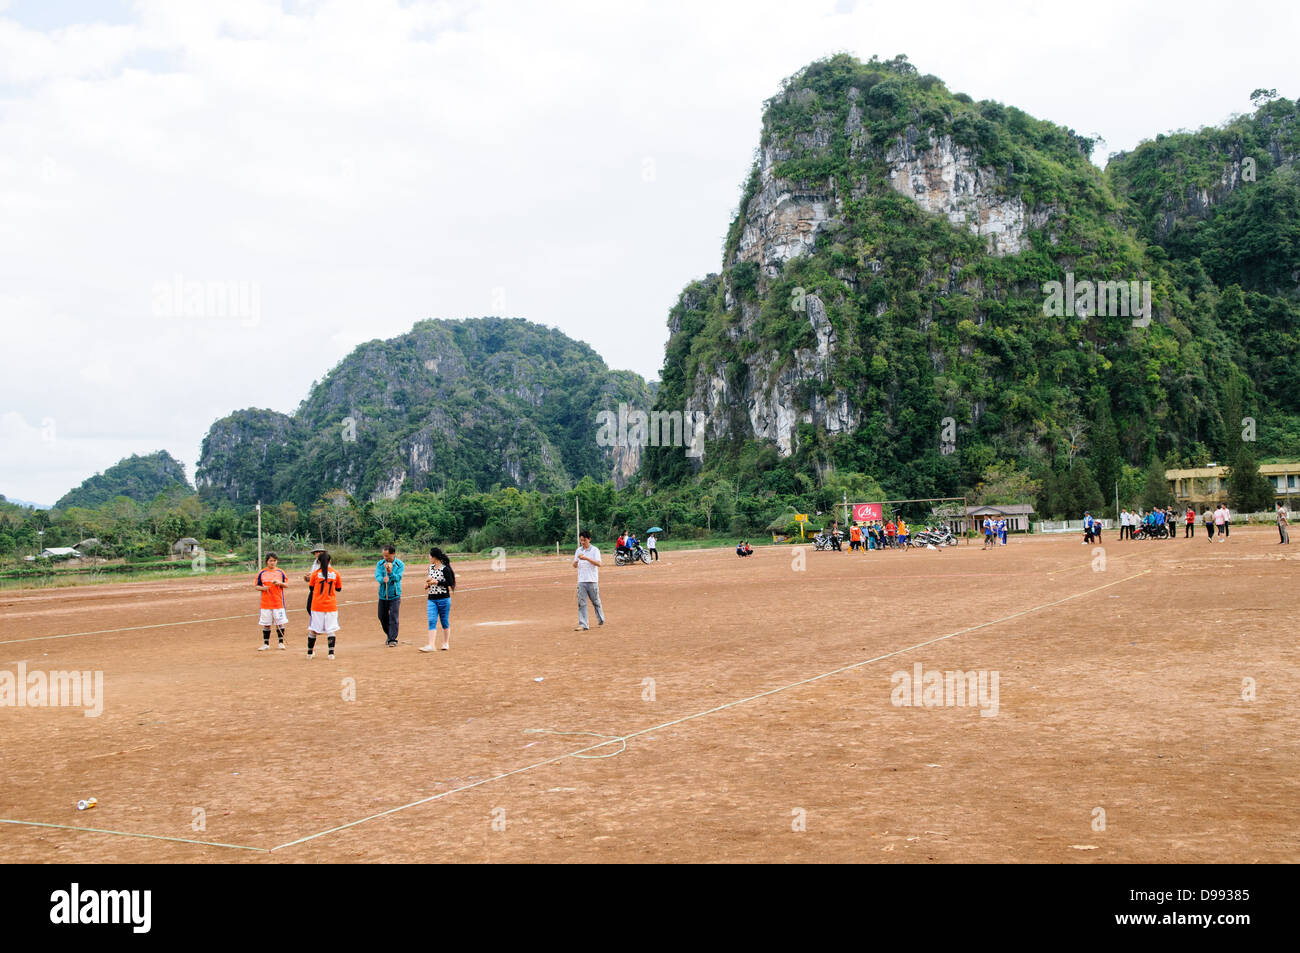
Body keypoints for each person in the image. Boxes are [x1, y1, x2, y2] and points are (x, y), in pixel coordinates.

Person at [306, 550, 342, 660]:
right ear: (330, 561)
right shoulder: (335, 573)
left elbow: (311, 588)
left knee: (314, 629)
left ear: (319, 561)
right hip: (330, 605)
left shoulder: (315, 574)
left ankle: (309, 653)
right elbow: (339, 589)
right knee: (331, 629)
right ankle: (331, 653)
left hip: (317, 605)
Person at [420, 546, 455, 651]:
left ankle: (445, 643)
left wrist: (437, 582)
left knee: (444, 621)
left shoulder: (445, 568)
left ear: (435, 557)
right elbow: (431, 579)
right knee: (431, 620)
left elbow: (450, 583)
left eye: (430, 556)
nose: (429, 557)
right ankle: (431, 645)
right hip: (431, 599)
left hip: (443, 598)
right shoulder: (431, 567)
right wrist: (428, 585)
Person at [255, 552, 288, 651]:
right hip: (266, 603)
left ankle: (281, 642)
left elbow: (286, 585)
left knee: (280, 623)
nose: (272, 563)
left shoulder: (280, 572)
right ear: (266, 562)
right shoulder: (262, 572)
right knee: (266, 623)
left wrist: (279, 583)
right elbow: (256, 586)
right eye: (270, 561)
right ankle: (266, 644)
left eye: (274, 560)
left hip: (278, 602)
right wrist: (263, 588)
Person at [573, 530, 604, 631]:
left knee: (596, 601)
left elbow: (599, 564)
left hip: (592, 580)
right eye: (581, 540)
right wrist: (576, 562)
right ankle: (583, 624)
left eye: (584, 540)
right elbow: (574, 565)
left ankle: (600, 618)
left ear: (589, 539)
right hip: (581, 580)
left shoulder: (595, 550)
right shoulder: (578, 550)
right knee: (581, 603)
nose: (582, 542)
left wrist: (586, 558)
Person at [376, 544, 404, 647]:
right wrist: (382, 579)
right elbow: (377, 575)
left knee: (393, 617)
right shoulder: (380, 564)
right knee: (382, 616)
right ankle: (389, 634)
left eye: (387, 556)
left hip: (394, 595)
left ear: (393, 554)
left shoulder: (400, 564)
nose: (385, 558)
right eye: (384, 556)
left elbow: (398, 578)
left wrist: (390, 573)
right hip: (383, 595)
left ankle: (393, 639)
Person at [303, 546, 324, 624]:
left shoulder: (326, 563)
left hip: (321, 590)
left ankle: (319, 624)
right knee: (309, 607)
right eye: (316, 552)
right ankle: (318, 623)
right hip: (314, 589)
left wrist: (311, 577)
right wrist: (307, 577)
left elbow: (323, 576)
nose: (318, 554)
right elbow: (312, 574)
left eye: (320, 552)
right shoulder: (315, 563)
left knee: (318, 608)